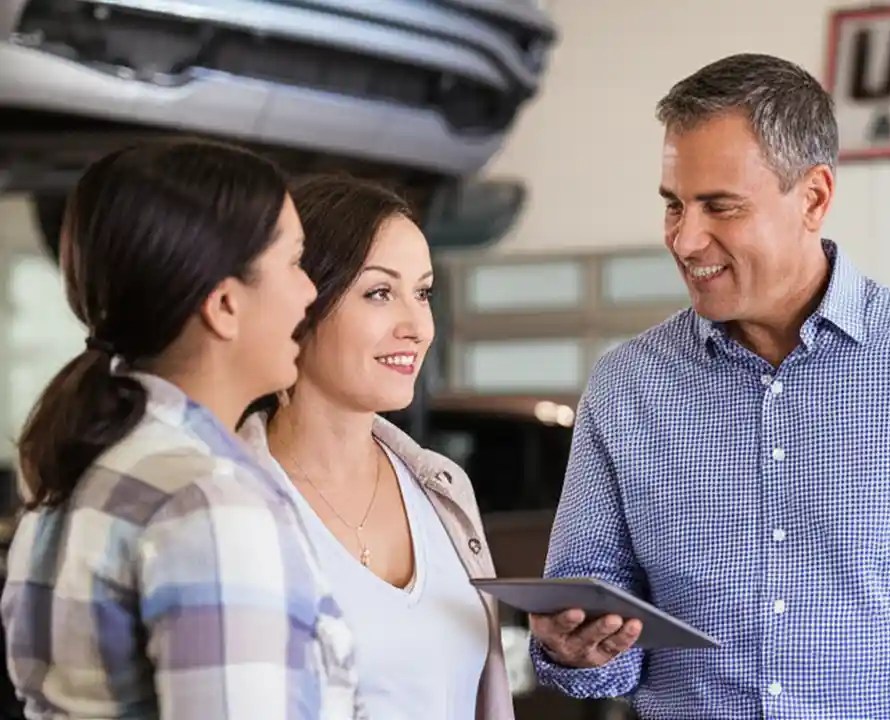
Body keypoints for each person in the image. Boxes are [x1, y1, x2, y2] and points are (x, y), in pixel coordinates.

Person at [528, 53, 890, 719]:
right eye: (674, 205)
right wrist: (576, 650)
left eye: (721, 207)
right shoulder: (626, 388)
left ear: (815, 198)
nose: (685, 239)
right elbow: (594, 625)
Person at [0, 139, 364, 719]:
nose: (311, 292)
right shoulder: (211, 503)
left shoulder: (77, 471)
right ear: (223, 304)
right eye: (295, 262)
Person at [236, 174, 514, 720]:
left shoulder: (443, 489)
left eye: (424, 293)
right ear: (301, 302)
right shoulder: (235, 499)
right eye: (380, 292)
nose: (417, 326)